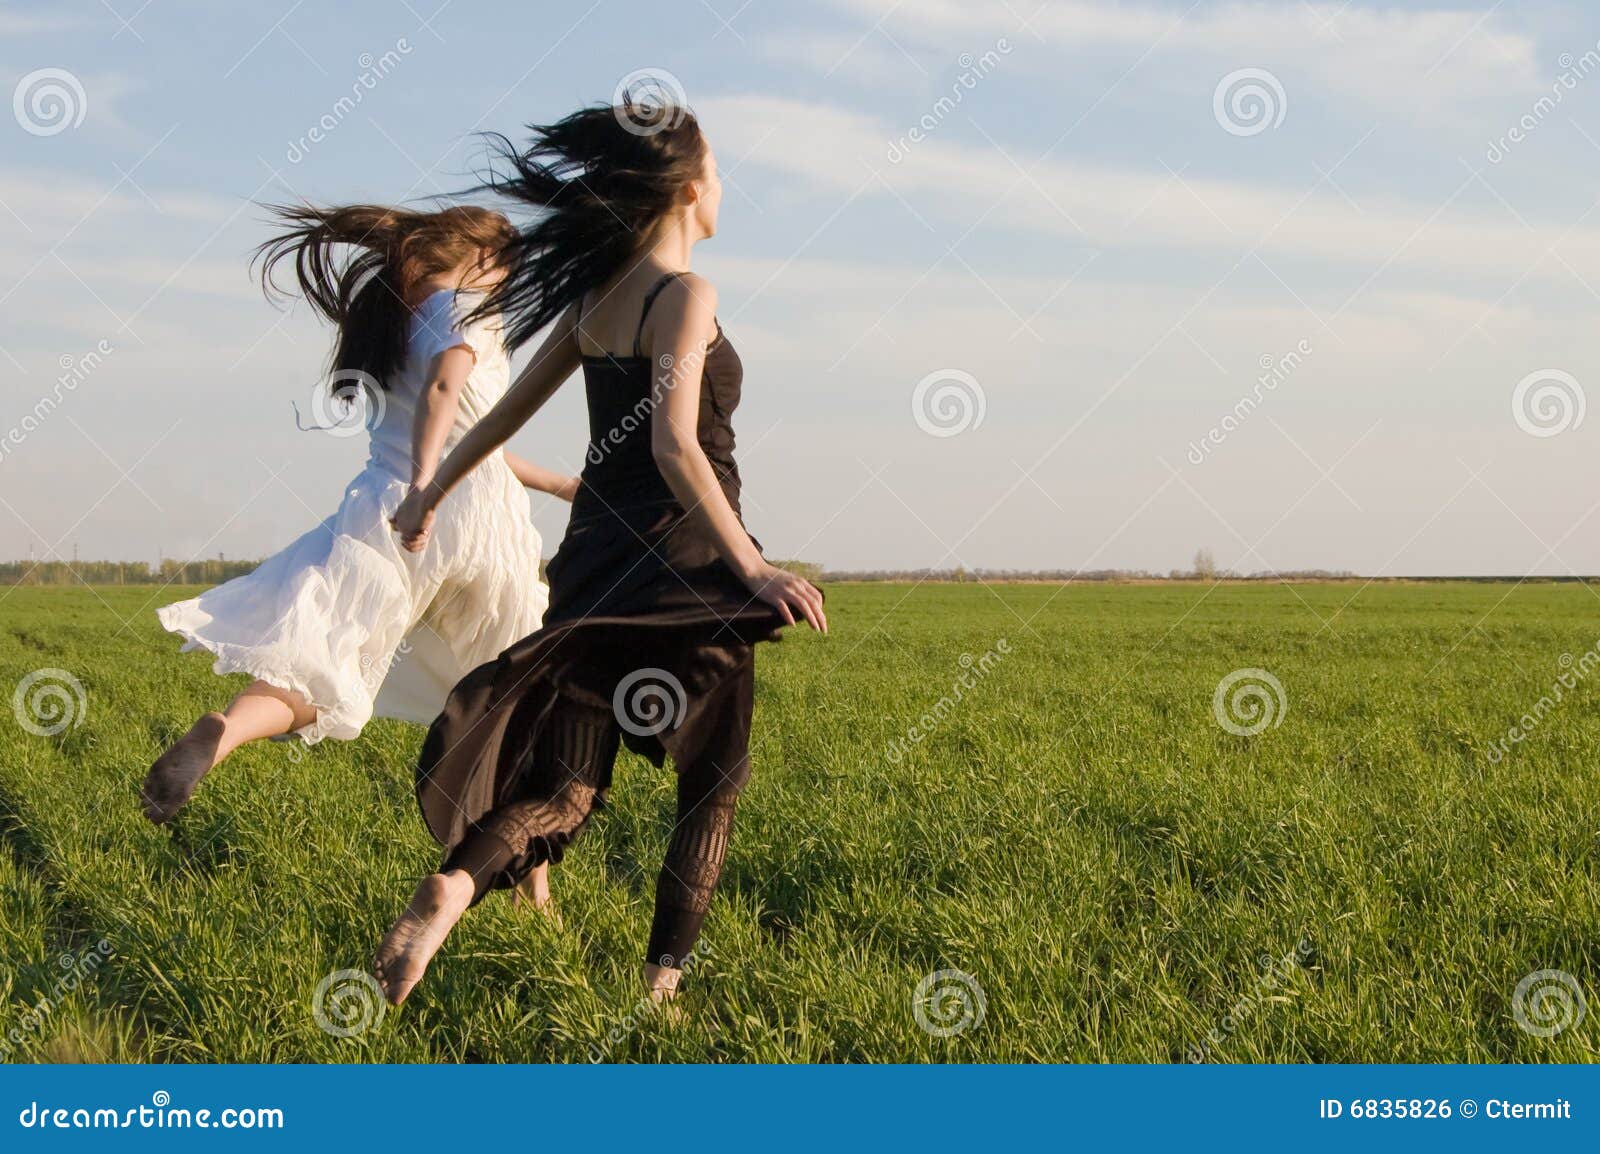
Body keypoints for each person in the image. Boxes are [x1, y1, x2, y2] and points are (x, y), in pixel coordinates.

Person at [374, 100, 826, 1008]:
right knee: (712, 779)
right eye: (721, 171)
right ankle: (660, 987)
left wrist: (429, 492)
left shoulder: (595, 299)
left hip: (590, 566)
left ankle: (454, 888)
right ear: (692, 191)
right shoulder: (686, 295)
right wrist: (753, 567)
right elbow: (674, 446)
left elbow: (500, 417)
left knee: (571, 786)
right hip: (685, 568)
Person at [144, 203, 575, 920]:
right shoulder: (466, 309)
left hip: (381, 511)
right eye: (505, 267)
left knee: (319, 663)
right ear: (478, 258)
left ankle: (224, 735)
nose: (508, 282)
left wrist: (551, 483)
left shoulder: (390, 322)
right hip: (463, 518)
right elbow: (447, 388)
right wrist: (430, 486)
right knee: (523, 698)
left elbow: (472, 427)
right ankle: (535, 892)